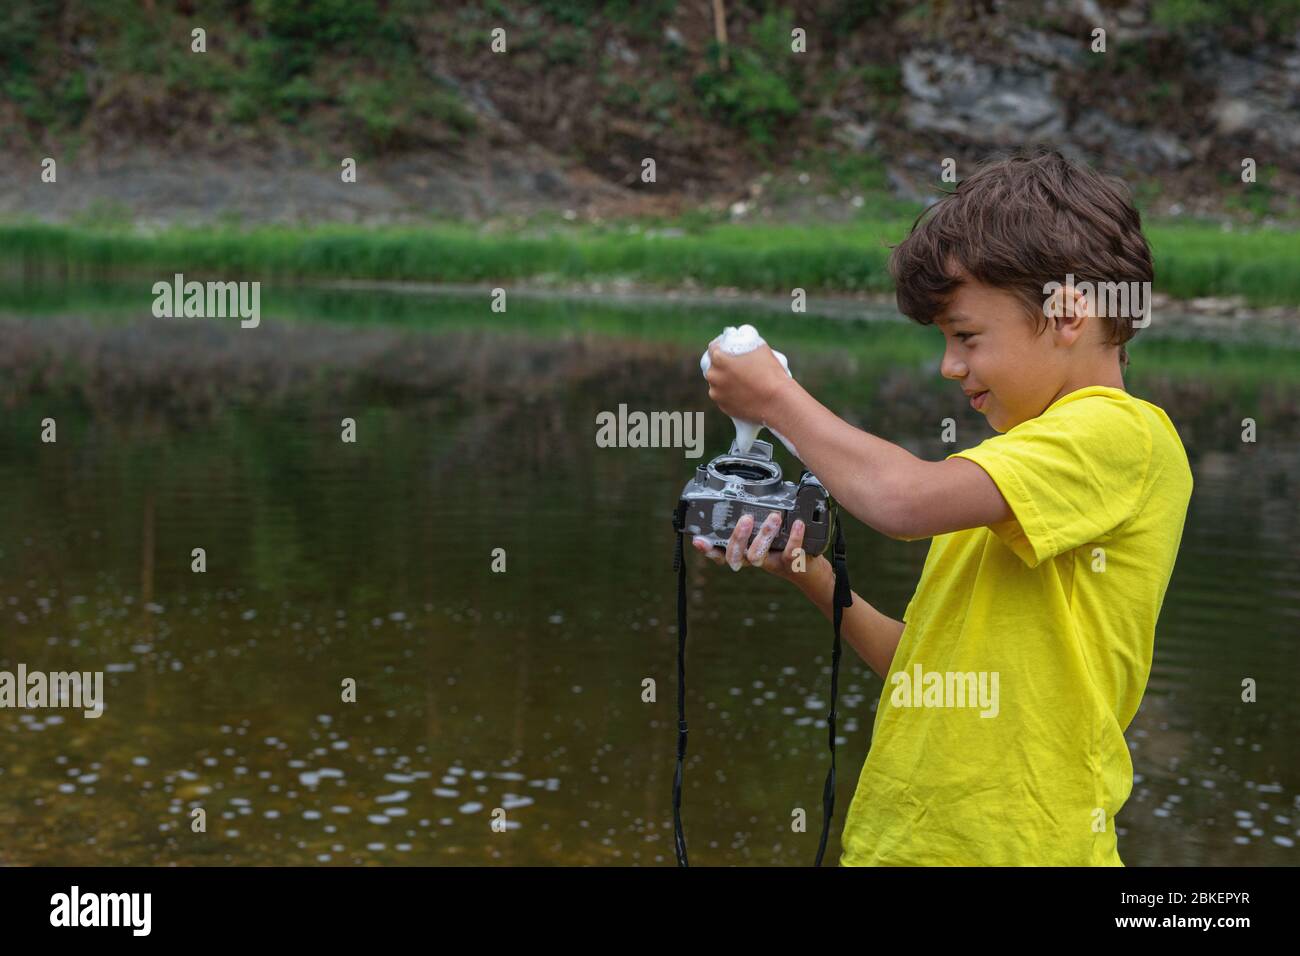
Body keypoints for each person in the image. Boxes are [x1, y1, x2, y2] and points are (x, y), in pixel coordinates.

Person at [695, 146, 1193, 866]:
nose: (950, 366)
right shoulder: (1006, 479)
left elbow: (899, 500)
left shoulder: (1122, 434)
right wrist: (808, 572)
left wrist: (775, 399)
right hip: (899, 847)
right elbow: (927, 670)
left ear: (1066, 314)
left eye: (965, 336)